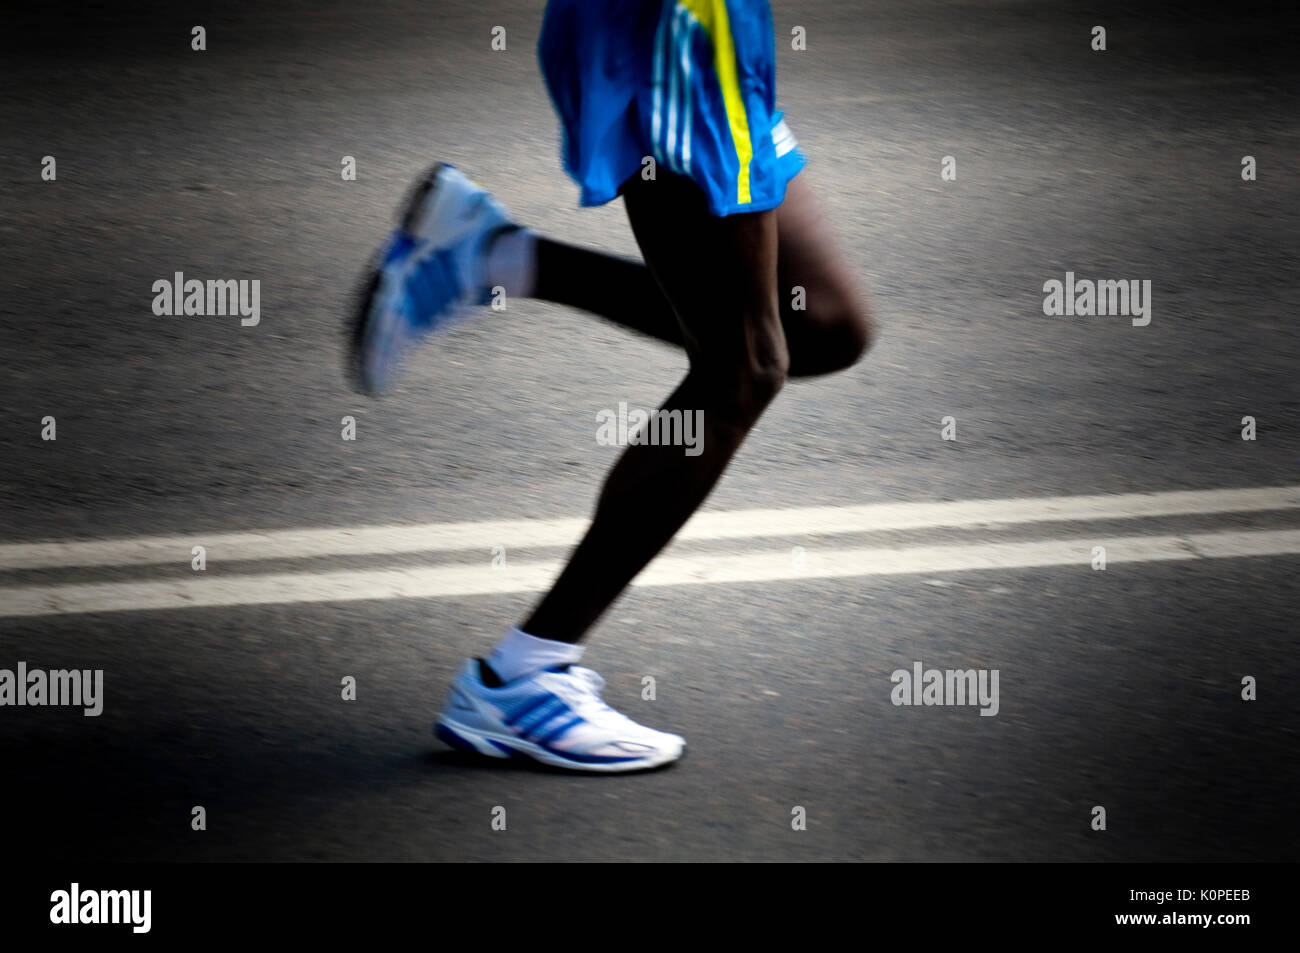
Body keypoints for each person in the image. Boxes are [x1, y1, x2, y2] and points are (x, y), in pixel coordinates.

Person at [350, 0, 872, 772]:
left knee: (824, 324)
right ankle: (521, 677)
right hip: (683, 38)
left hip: (708, 38)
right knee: (744, 367)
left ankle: (490, 256)